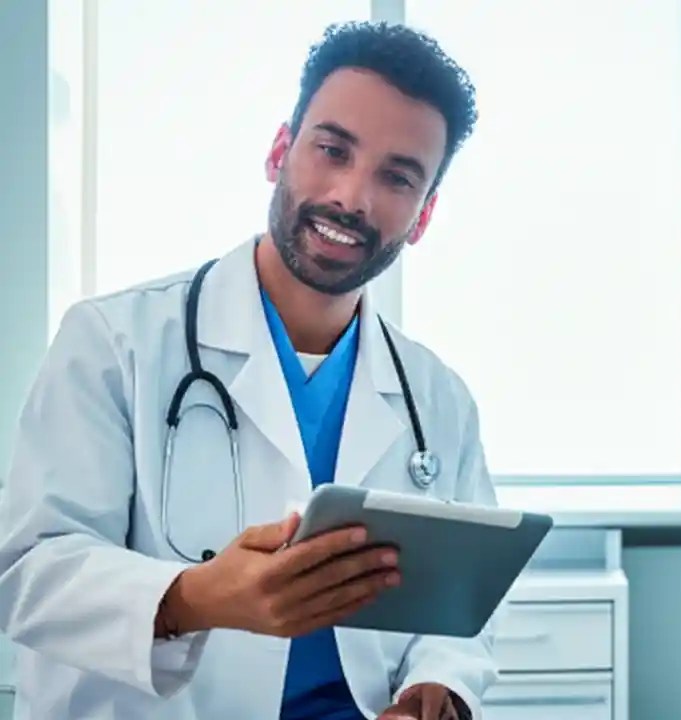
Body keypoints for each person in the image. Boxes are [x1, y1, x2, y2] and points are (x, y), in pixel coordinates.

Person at [0, 21, 494, 720]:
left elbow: (461, 608)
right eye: (333, 150)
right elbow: (26, 572)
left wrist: (434, 690)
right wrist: (197, 598)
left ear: (423, 215)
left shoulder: (438, 398)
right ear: (279, 151)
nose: (353, 197)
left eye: (396, 177)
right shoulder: (115, 343)